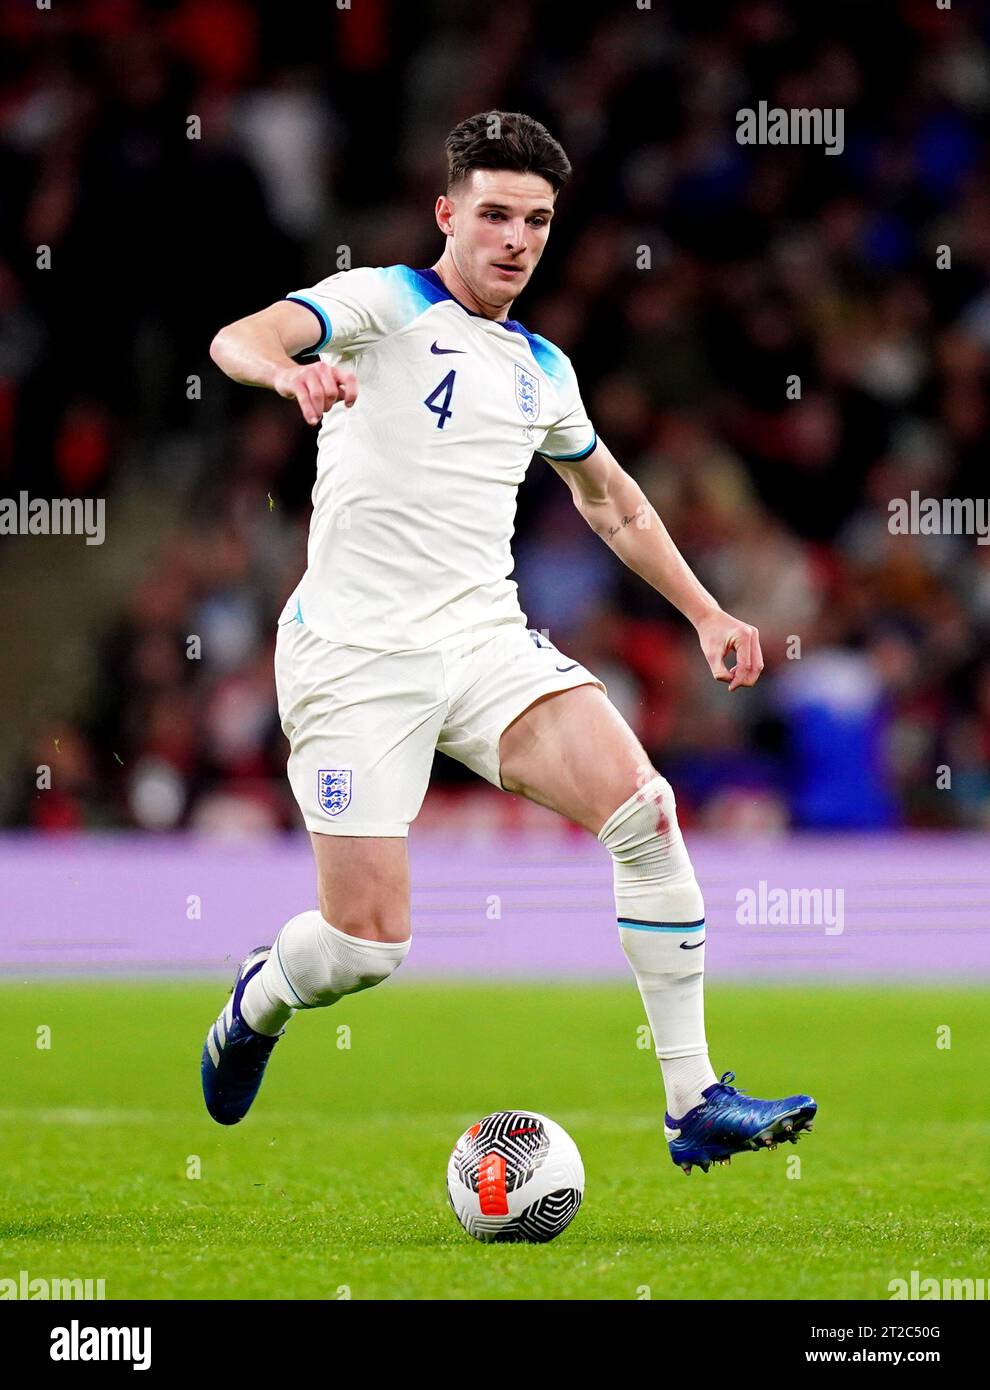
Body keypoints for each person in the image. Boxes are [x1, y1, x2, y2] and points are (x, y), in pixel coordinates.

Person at [202, 110, 815, 1175]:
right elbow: (240, 336)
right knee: (365, 949)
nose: (516, 239)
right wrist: (286, 374)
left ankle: (692, 1100)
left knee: (645, 806)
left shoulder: (542, 367)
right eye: (494, 214)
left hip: (484, 643)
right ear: (448, 213)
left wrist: (707, 610)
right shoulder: (382, 302)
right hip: (355, 661)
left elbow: (614, 504)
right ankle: (262, 994)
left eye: (536, 220)